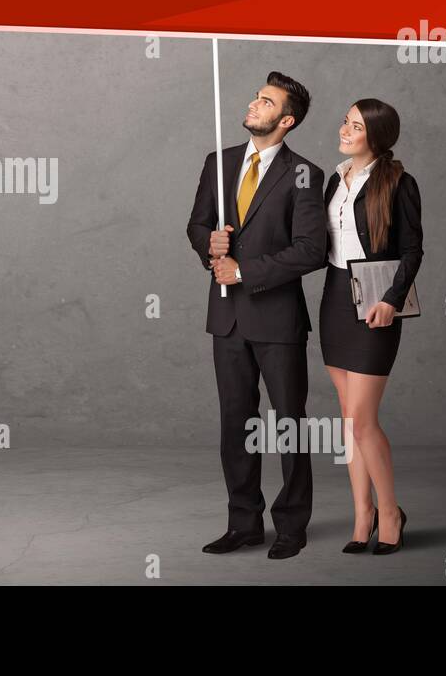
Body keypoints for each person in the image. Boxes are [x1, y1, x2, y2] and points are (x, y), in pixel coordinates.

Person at [186, 71, 328, 560]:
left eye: (265, 102)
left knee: (288, 423)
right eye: (255, 97)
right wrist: (209, 245)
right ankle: (243, 523)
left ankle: (291, 526)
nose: (253, 104)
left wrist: (244, 270)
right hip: (226, 320)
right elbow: (197, 223)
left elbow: (311, 250)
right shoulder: (218, 162)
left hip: (277, 320)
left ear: (285, 120)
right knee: (235, 424)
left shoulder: (306, 174)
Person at [320, 99, 423, 555]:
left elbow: (413, 250)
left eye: (356, 126)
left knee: (363, 421)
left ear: (376, 137)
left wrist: (391, 301)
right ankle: (361, 516)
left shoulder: (399, 182)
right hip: (334, 297)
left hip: (376, 299)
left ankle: (390, 510)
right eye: (346, 120)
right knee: (348, 421)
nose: (345, 129)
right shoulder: (333, 178)